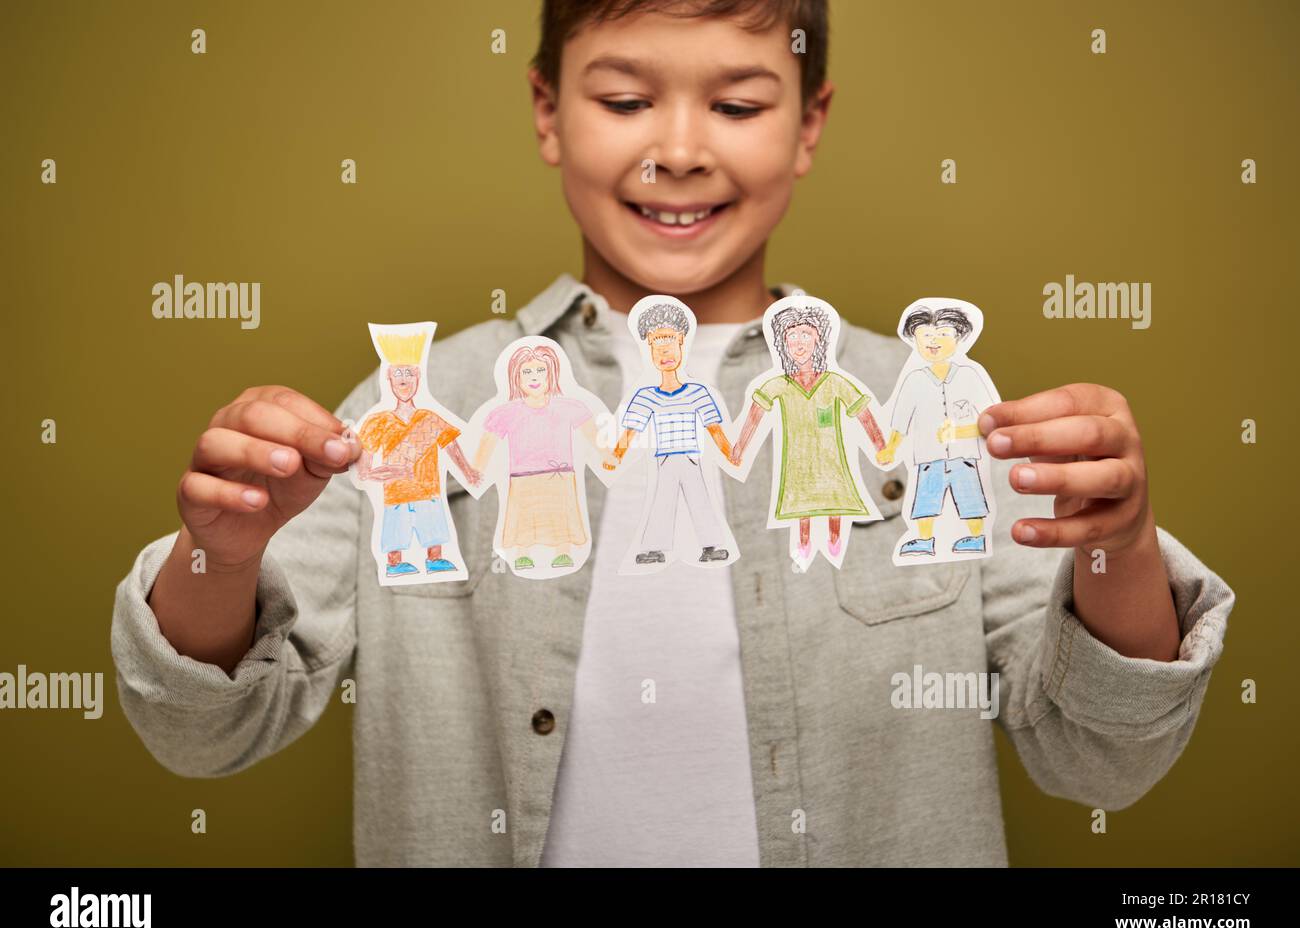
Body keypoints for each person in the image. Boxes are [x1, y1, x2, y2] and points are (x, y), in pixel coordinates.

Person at [112, 0, 1234, 867]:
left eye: (739, 107)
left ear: (810, 126)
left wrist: (1115, 544)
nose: (681, 150)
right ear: (548, 113)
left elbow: (1101, 759)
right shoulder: (424, 402)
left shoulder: (924, 416)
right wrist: (226, 548)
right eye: (624, 100)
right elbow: (201, 735)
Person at [731, 301, 886, 559]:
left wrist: (880, 444)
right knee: (801, 504)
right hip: (797, 460)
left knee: (835, 499)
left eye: (806, 335)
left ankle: (834, 538)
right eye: (791, 336)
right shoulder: (778, 385)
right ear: (782, 344)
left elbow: (863, 413)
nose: (799, 342)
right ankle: (803, 542)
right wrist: (739, 449)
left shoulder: (835, 381)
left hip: (831, 459)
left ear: (819, 340)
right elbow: (754, 416)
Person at [611, 300, 733, 564]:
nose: (664, 350)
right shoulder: (645, 396)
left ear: (682, 343)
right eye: (656, 343)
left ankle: (710, 546)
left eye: (670, 342)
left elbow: (714, 427)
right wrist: (616, 456)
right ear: (649, 348)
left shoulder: (698, 392)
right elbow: (631, 430)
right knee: (661, 500)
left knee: (700, 498)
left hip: (691, 457)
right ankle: (654, 548)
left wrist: (730, 454)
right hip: (664, 458)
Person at [354, 330, 480, 577]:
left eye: (409, 373)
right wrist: (387, 472)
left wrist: (468, 472)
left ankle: (435, 559)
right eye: (398, 374)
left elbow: (451, 446)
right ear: (388, 379)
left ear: (418, 378)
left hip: (428, 489)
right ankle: (394, 563)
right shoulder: (377, 421)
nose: (404, 380)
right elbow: (363, 470)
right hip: (395, 493)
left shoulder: (429, 418)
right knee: (395, 531)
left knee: (433, 527)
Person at [472, 342, 608, 571]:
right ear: (516, 376)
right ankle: (522, 553)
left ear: (552, 374)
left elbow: (593, 436)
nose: (534, 377)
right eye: (527, 371)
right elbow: (487, 443)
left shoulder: (569, 407)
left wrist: (609, 457)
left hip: (559, 475)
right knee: (524, 516)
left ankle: (563, 551)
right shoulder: (508, 412)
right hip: (523, 476)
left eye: (540, 370)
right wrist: (474, 471)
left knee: (560, 514)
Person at [877, 304, 996, 557]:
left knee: (970, 496)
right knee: (925, 499)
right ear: (916, 340)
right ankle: (923, 540)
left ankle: (975, 537)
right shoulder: (913, 380)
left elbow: (991, 419)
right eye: (926, 336)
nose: (934, 342)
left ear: (958, 339)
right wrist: (891, 447)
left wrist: (961, 432)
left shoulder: (970, 376)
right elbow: (901, 419)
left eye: (942, 335)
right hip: (928, 456)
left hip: (965, 455)